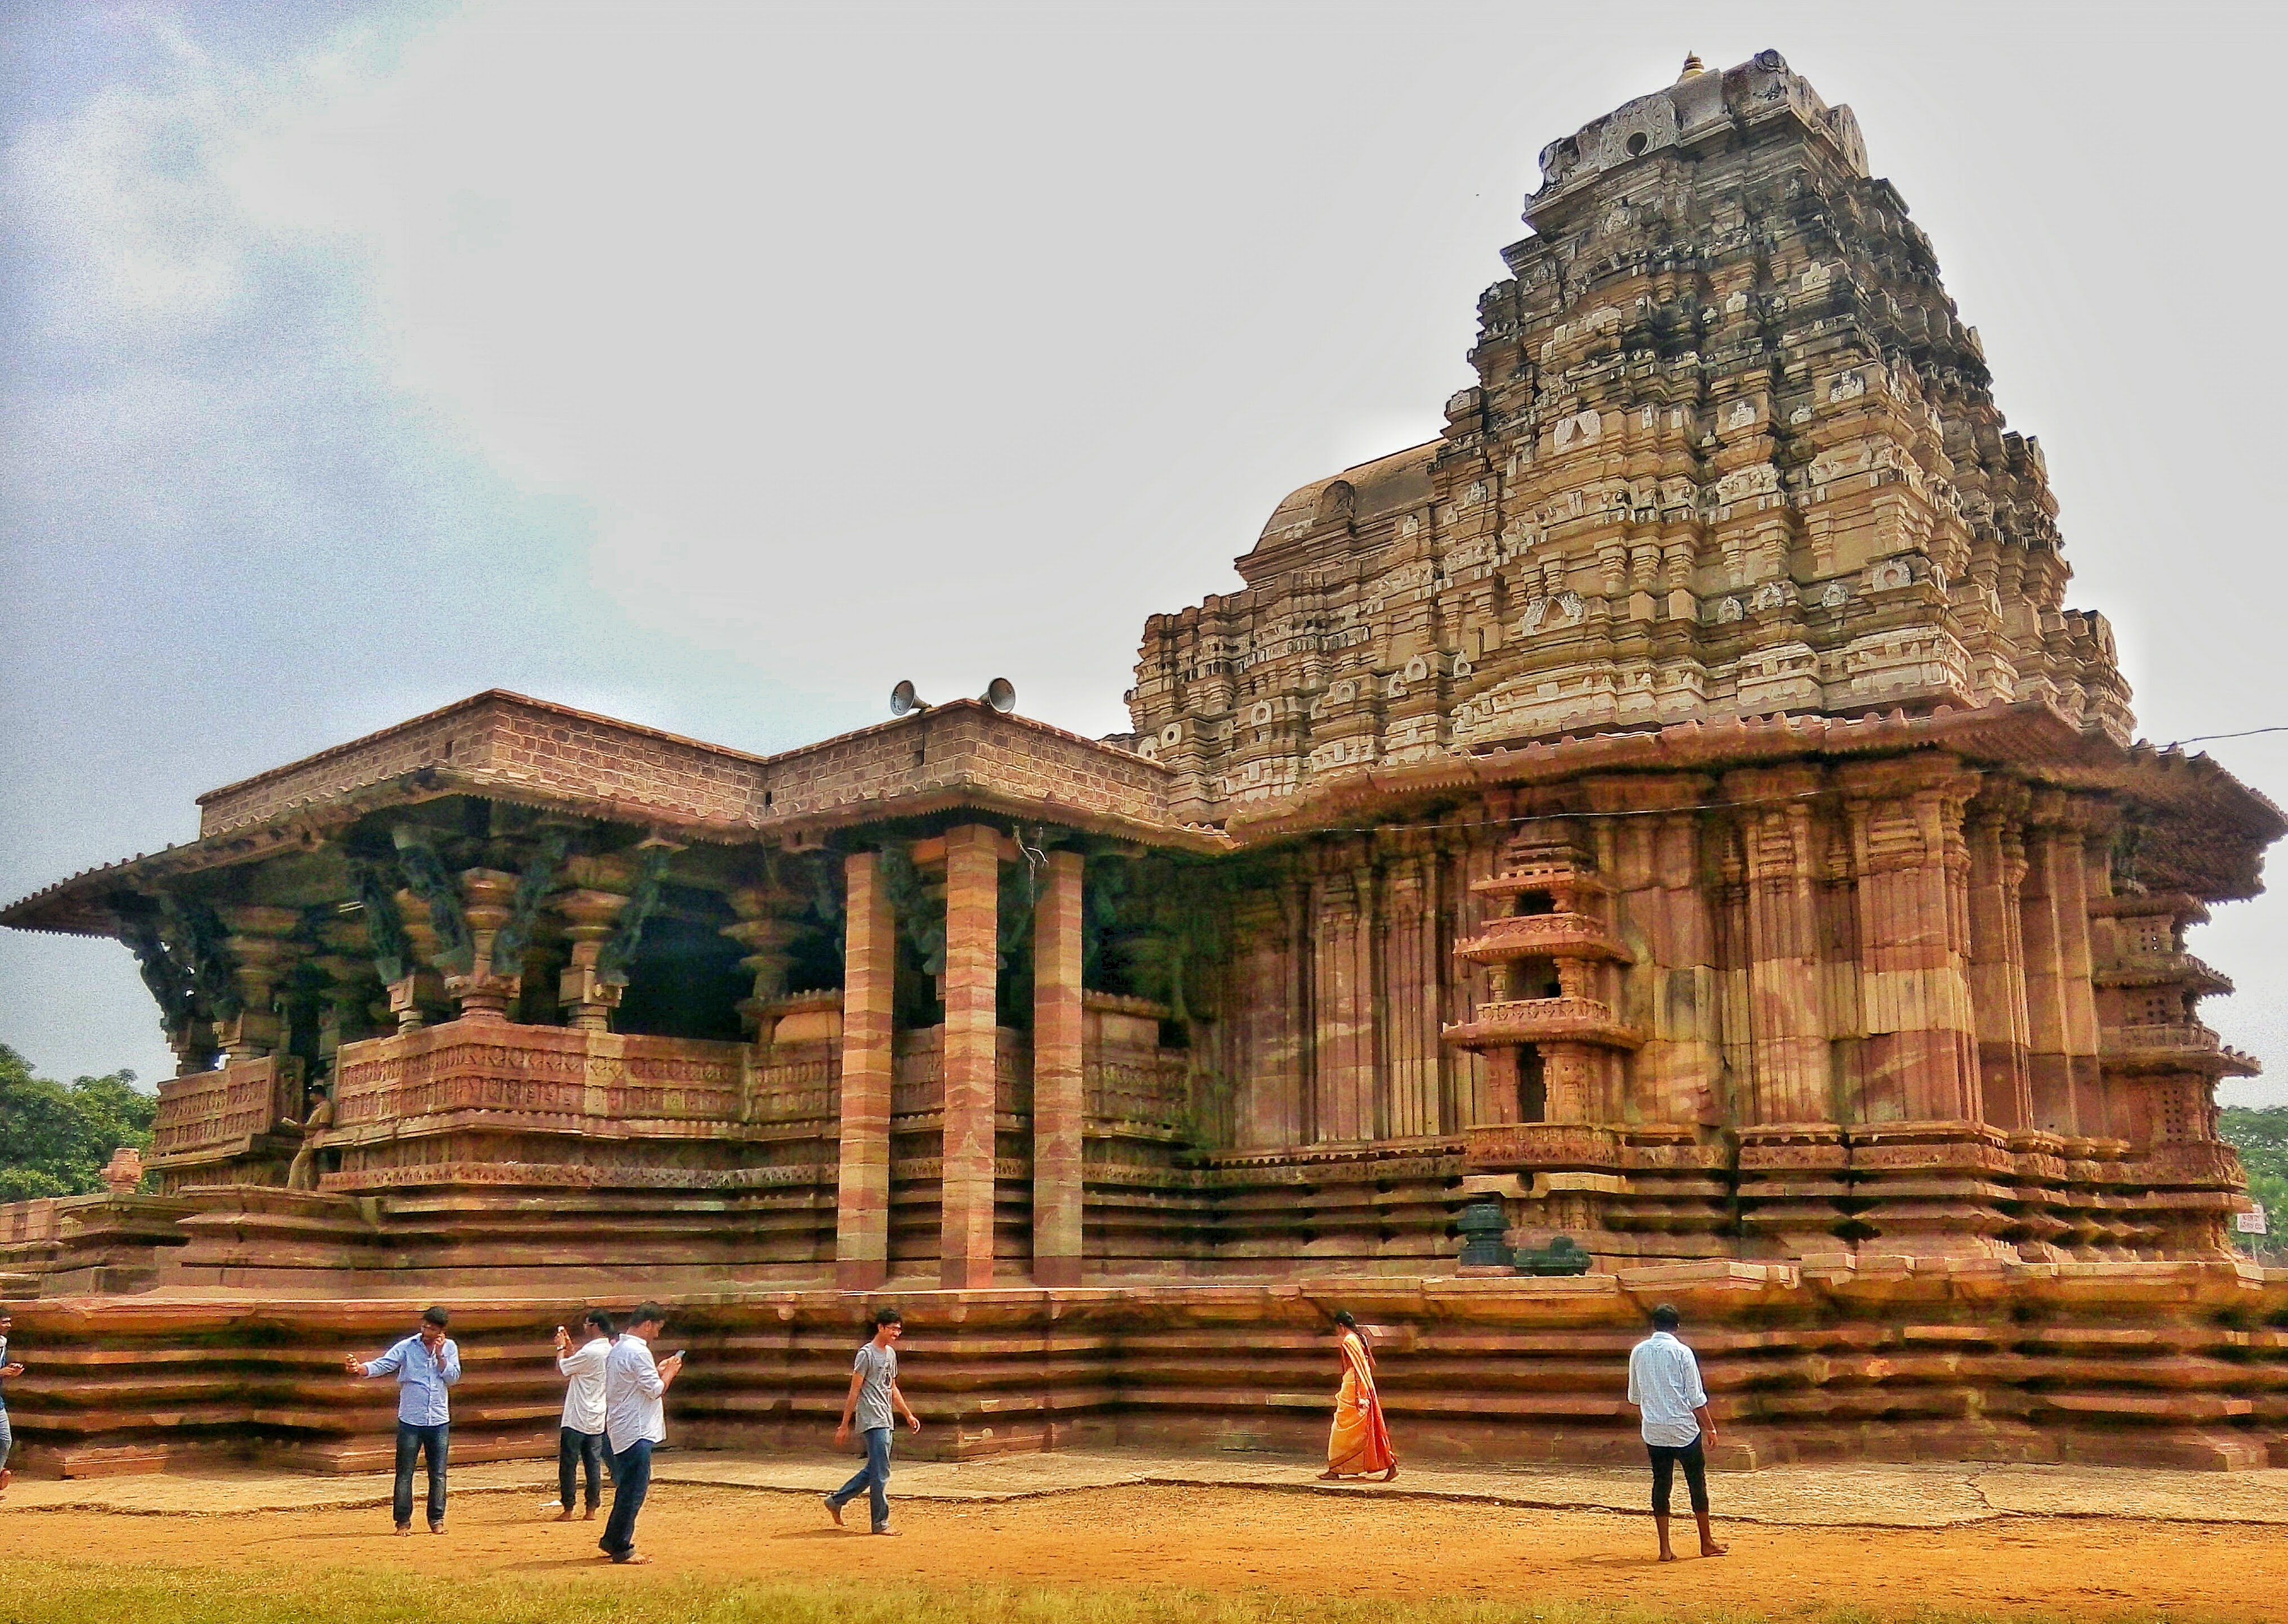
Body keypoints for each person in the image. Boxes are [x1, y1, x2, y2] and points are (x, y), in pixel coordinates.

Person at [346, 1305, 461, 1535]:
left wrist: (440, 1357)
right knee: (405, 1472)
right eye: (424, 1325)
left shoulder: (449, 1348)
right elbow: (385, 1363)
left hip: (438, 1419)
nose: (425, 1330)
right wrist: (360, 1369)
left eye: (431, 1327)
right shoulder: (408, 1346)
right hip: (411, 1419)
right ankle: (403, 1522)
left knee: (438, 1473)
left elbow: (453, 1378)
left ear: (441, 1331)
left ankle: (437, 1519)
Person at [1626, 1302, 1725, 1561]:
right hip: (1683, 1429)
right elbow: (1695, 1397)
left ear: (1654, 1325)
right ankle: (1706, 1542)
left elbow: (1635, 1397)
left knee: (1661, 1484)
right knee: (1696, 1483)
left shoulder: (1638, 1351)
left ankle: (1665, 1549)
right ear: (1677, 1326)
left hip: (1654, 1430)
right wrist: (1710, 1427)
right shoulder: (1682, 1352)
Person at [822, 1308, 920, 1534]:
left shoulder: (890, 1355)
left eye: (899, 1330)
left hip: (886, 1416)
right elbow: (854, 1391)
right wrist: (844, 1425)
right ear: (881, 1328)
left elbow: (892, 1388)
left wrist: (908, 1414)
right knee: (882, 1472)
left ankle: (836, 1501)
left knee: (875, 1470)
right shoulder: (866, 1354)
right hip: (872, 1418)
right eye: (893, 1329)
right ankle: (880, 1523)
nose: (897, 1333)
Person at [599, 1302, 683, 1565]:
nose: (656, 1335)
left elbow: (636, 1383)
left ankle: (613, 1538)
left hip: (622, 1428)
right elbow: (655, 1390)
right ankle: (621, 1545)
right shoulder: (637, 1352)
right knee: (633, 1490)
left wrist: (657, 1371)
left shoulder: (620, 1349)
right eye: (657, 1329)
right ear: (648, 1325)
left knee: (628, 1487)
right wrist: (669, 1373)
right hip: (637, 1430)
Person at [1317, 1309, 1397, 1482]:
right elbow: (1369, 1364)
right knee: (1370, 1431)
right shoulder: (1360, 1339)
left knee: (1341, 1431)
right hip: (1361, 1387)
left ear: (1341, 1326)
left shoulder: (1349, 1341)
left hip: (1354, 1389)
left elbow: (1357, 1369)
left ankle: (1336, 1469)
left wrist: (1358, 1396)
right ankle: (1388, 1465)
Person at [551, 1309, 616, 1522]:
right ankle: (591, 1509)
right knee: (593, 1464)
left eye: (588, 1325)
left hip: (577, 1414)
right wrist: (570, 1348)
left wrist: (561, 1347)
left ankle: (568, 1508)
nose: (585, 1328)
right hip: (597, 1414)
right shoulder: (610, 1350)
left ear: (595, 1326)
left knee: (569, 1464)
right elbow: (579, 1364)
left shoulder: (591, 1351)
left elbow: (563, 1368)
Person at [0, 1311, 22, 1497]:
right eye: (4, 1322)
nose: (9, 1326)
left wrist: (11, 1370)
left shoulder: (3, 1344)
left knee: (5, 1440)